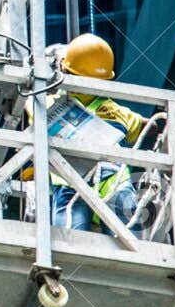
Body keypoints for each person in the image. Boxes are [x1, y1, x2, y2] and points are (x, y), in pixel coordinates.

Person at [47, 33, 149, 235]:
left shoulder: (50, 105)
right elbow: (148, 126)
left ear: (67, 69)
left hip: (96, 182)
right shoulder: (115, 111)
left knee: (73, 241)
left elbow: (147, 125)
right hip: (83, 183)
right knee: (126, 242)